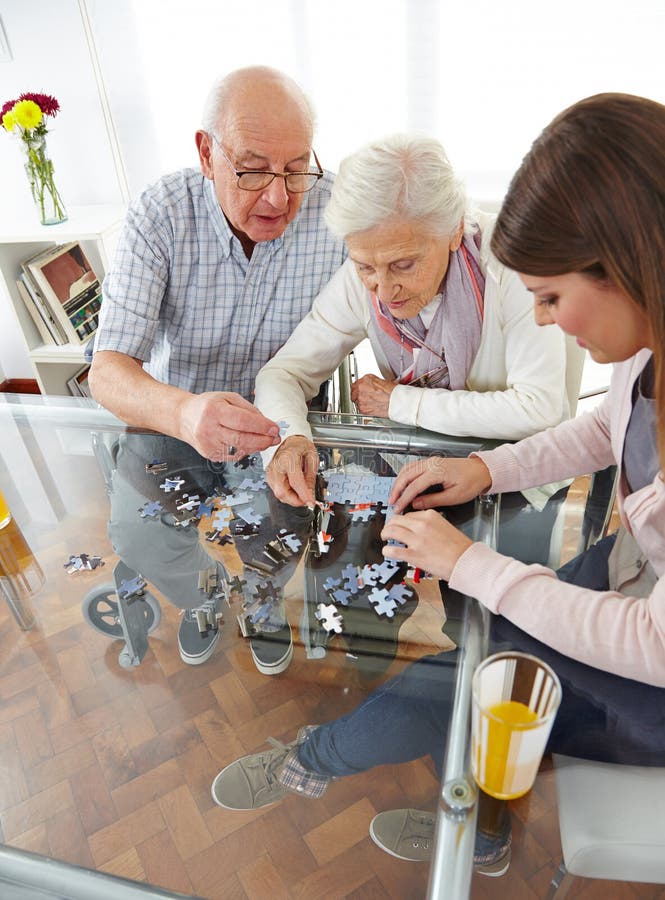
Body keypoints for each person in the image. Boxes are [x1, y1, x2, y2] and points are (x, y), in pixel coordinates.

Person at [210, 93, 665, 876]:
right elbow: (601, 429)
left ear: (628, 258)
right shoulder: (647, 338)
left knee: (467, 674)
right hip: (632, 580)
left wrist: (470, 566)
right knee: (477, 658)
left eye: (552, 296)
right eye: (364, 268)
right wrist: (482, 467)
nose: (547, 320)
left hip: (651, 675)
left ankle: (323, 761)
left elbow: (654, 649)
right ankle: (475, 826)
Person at [88, 66, 347, 669]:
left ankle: (260, 600)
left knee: (283, 536)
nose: (280, 197)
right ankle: (203, 594)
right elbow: (107, 371)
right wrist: (185, 411)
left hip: (276, 425)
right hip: (172, 416)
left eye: (296, 168)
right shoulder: (160, 211)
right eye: (253, 170)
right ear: (207, 153)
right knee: (140, 535)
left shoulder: (339, 209)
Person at [253, 133, 574, 522]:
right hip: (413, 470)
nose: (384, 290)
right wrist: (289, 440)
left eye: (404, 265)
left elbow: (538, 408)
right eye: (366, 267)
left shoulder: (515, 263)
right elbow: (284, 372)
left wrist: (399, 402)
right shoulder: (365, 275)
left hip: (517, 479)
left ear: (455, 229)